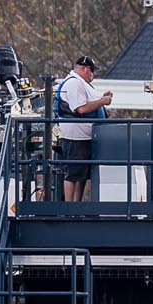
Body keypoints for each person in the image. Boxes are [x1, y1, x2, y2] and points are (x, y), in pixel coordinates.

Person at [55, 55, 108, 202]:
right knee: (73, 173)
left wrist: (101, 98)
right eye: (92, 71)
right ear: (85, 69)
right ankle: (69, 206)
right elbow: (81, 108)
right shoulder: (74, 84)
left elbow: (88, 101)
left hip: (84, 136)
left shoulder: (81, 83)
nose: (93, 75)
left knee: (82, 174)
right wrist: (102, 101)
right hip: (75, 137)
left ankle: (77, 205)